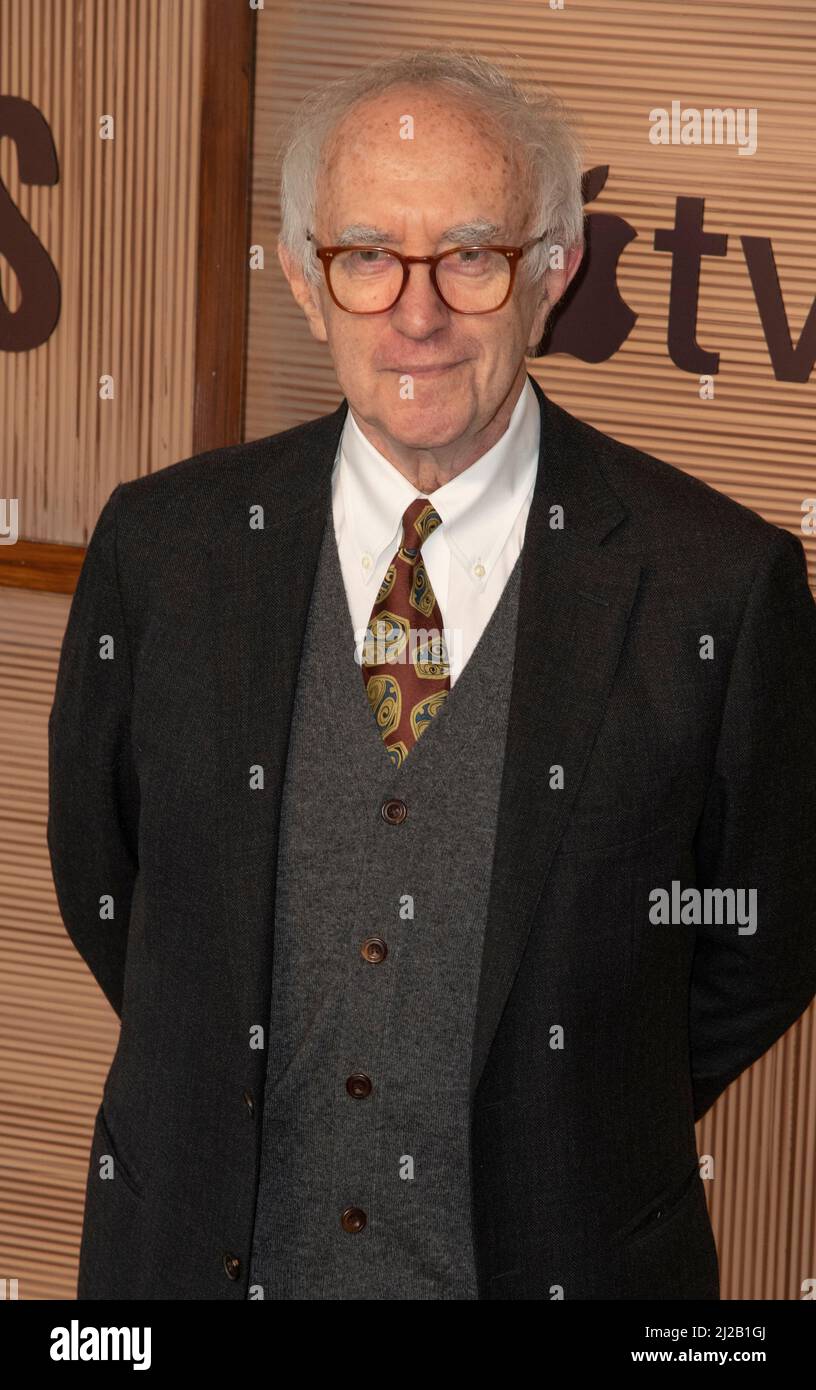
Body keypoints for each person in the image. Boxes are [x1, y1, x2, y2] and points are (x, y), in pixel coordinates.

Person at [48, 47, 816, 1301]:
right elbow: (109, 878)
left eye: (471, 254)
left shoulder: (719, 584)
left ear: (553, 274)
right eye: (366, 255)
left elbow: (761, 929)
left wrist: (580, 1099)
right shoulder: (162, 549)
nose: (418, 314)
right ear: (305, 279)